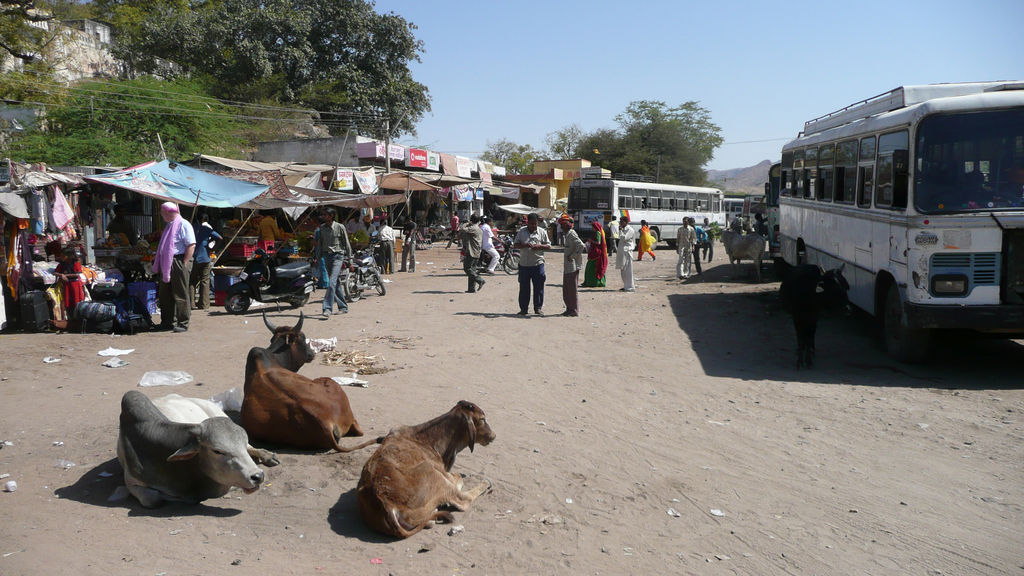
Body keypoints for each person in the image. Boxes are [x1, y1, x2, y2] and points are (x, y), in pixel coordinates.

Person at [153, 202, 196, 333]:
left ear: (167, 212)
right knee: (165, 294)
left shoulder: (183, 224)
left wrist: (185, 262)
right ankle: (167, 322)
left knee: (180, 293)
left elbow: (191, 244)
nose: (161, 215)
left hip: (178, 261)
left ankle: (183, 322)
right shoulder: (169, 225)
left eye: (162, 213)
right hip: (167, 262)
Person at [513, 212, 551, 315]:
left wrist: (539, 246)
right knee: (524, 288)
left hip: (538, 264)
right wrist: (524, 245)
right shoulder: (521, 231)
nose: (534, 225)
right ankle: (523, 309)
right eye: (532, 224)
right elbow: (515, 245)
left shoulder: (542, 232)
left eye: (535, 223)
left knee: (539, 287)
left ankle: (538, 308)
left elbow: (548, 246)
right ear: (528, 223)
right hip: (524, 265)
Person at [316, 208, 349, 318]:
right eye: (323, 215)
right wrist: (317, 258)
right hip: (327, 257)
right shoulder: (321, 228)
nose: (323, 217)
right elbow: (320, 244)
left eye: (325, 215)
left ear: (331, 216)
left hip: (338, 256)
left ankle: (327, 308)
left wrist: (350, 259)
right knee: (335, 283)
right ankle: (343, 307)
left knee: (331, 282)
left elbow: (346, 243)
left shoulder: (340, 227)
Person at [190, 213, 222, 310]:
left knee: (192, 281)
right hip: (205, 258)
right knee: (205, 281)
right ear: (205, 220)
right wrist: (212, 248)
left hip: (193, 258)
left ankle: (191, 304)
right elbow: (220, 238)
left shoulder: (191, 228)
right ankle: (204, 304)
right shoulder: (206, 229)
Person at [559, 214, 586, 317]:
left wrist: (573, 256)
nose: (561, 227)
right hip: (568, 266)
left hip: (572, 266)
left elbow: (581, 245)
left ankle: (573, 310)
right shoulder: (567, 234)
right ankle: (569, 308)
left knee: (571, 289)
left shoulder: (571, 234)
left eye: (562, 225)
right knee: (567, 289)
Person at [55, 247, 86, 316]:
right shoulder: (62, 264)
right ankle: (68, 316)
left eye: (63, 256)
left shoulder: (76, 263)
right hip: (66, 285)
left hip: (74, 285)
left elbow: (77, 274)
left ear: (69, 256)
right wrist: (61, 275)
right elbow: (55, 272)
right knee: (66, 302)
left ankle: (77, 316)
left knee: (76, 301)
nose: (61, 257)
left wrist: (65, 275)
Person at [460, 214, 485, 293]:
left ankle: (480, 280)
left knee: (467, 268)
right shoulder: (479, 228)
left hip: (471, 251)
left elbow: (462, 229)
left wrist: (466, 223)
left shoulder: (473, 228)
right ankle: (471, 288)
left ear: (471, 220)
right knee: (472, 270)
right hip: (477, 251)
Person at [582, 220, 608, 288]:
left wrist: (591, 241)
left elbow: (598, 242)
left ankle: (594, 283)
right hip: (594, 252)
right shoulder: (597, 232)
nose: (592, 228)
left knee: (592, 268)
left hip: (596, 253)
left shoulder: (597, 233)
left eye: (593, 227)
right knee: (591, 267)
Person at [616, 216, 636, 292]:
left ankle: (630, 287)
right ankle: (626, 286)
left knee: (628, 270)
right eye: (620, 222)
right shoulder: (623, 229)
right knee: (623, 270)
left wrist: (620, 231)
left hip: (627, 252)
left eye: (622, 222)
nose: (620, 223)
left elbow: (624, 238)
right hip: (622, 251)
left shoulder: (630, 230)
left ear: (626, 222)